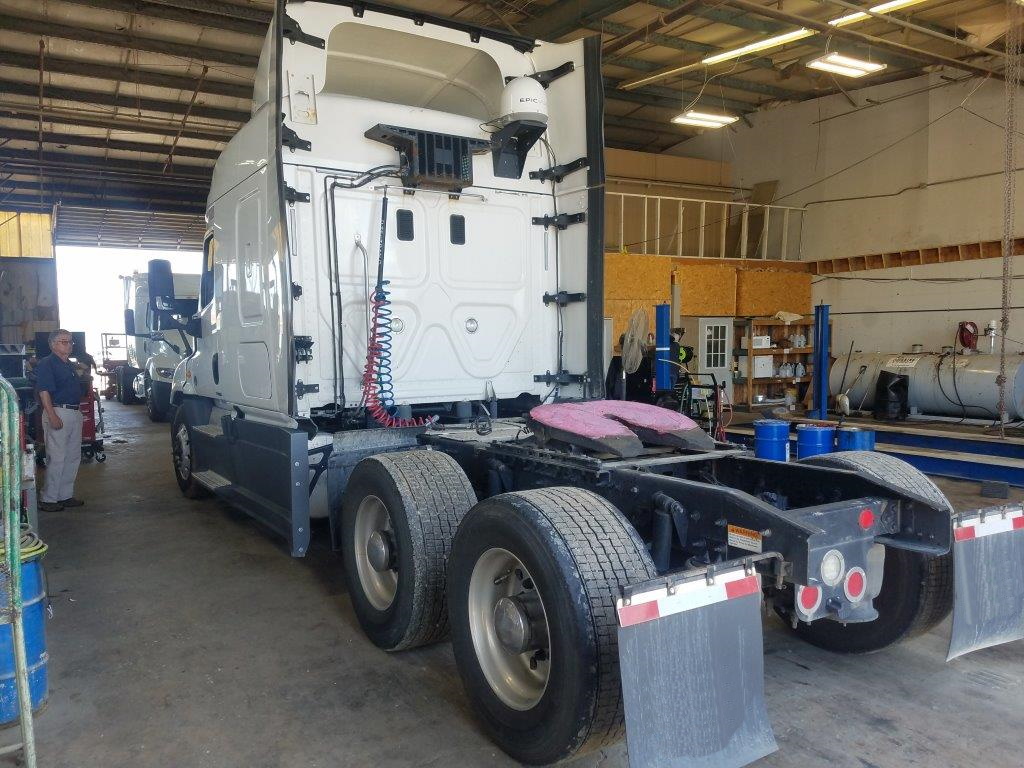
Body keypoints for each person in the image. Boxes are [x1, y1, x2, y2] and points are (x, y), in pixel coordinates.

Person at [35, 329, 86, 512]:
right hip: (58, 410)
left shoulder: (69, 364)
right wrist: (52, 415)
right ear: (53, 344)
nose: (69, 344)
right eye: (64, 341)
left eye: (70, 341)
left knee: (72, 456)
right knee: (56, 457)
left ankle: (64, 495)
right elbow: (44, 391)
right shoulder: (47, 363)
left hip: (73, 412)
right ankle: (48, 499)